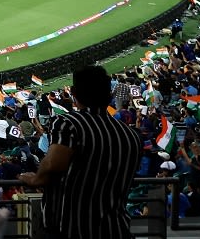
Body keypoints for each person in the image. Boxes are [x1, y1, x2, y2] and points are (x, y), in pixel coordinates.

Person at [18, 64, 141, 239]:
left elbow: (53, 164)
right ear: (109, 94)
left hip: (72, 229)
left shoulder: (68, 123)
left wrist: (35, 179)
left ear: (74, 93)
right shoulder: (131, 135)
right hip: (116, 229)